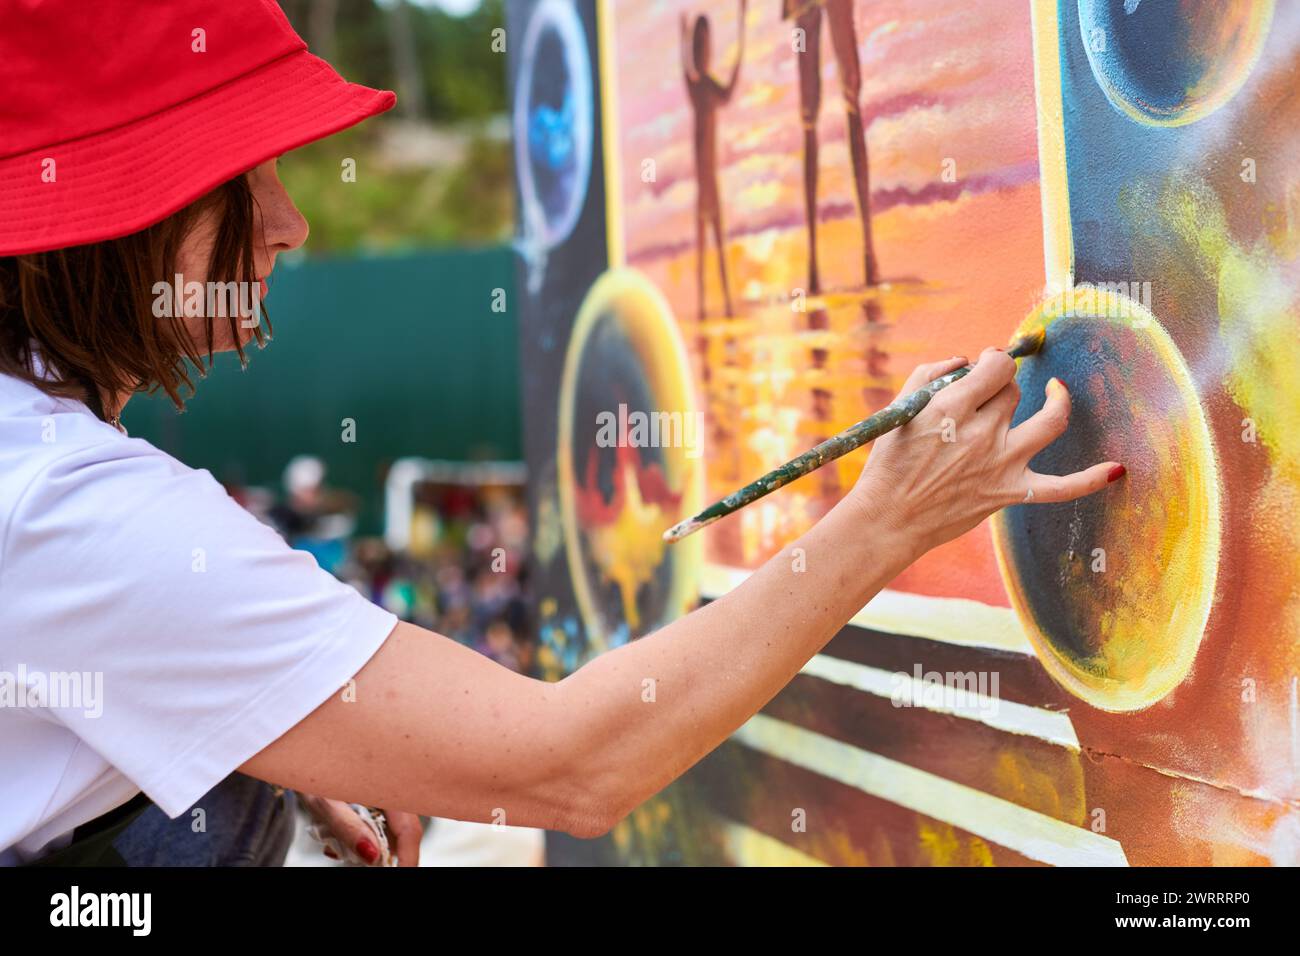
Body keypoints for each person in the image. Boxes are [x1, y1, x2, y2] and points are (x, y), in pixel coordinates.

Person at [0, 0, 1125, 866]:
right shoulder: (76, 515)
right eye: (245, 176)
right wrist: (886, 519)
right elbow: (571, 765)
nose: (289, 224)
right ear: (117, 218)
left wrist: (256, 737)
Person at [681, 0, 747, 320]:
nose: (702, 51)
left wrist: (742, 26)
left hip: (711, 186)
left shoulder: (707, 89)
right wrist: (682, 38)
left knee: (717, 249)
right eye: (698, 45)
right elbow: (685, 69)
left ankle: (726, 306)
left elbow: (730, 90)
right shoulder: (697, 89)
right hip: (703, 188)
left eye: (704, 45)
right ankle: (704, 308)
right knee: (704, 252)